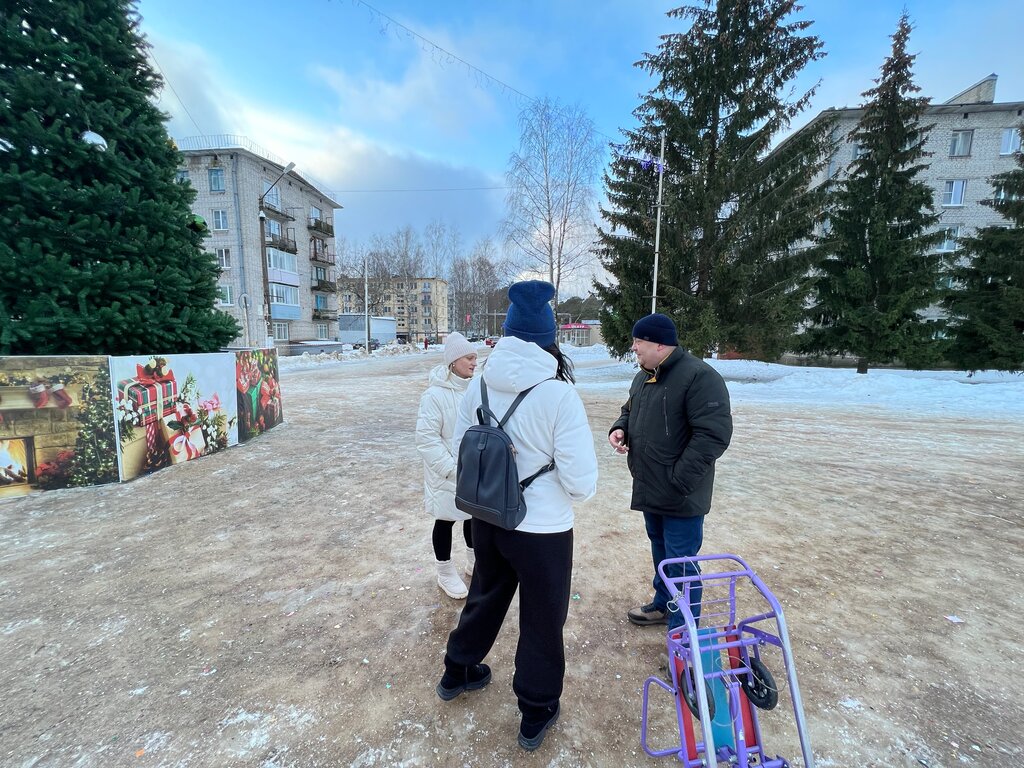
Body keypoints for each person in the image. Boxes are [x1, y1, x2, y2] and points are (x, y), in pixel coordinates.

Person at [436, 280, 598, 752]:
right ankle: (536, 708)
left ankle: (458, 669)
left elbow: (463, 446)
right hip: (543, 530)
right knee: (542, 619)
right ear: (549, 337)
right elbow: (581, 484)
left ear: (506, 332)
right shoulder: (558, 395)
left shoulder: (481, 382)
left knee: (485, 594)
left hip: (489, 516)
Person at [608, 313, 732, 635]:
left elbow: (713, 435)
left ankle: (684, 632)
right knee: (662, 554)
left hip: (680, 493)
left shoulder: (699, 377)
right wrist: (620, 428)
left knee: (680, 564)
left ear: (660, 344)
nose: (633, 347)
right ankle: (664, 604)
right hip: (650, 486)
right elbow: (629, 410)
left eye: (639, 341)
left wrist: (678, 480)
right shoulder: (644, 377)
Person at [415, 332, 479, 599]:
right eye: (469, 358)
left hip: (473, 471)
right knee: (445, 520)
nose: (474, 362)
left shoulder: (477, 390)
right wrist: (451, 469)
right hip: (446, 474)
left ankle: (474, 562)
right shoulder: (434, 395)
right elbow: (427, 439)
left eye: (475, 357)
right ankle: (444, 571)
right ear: (453, 361)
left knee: (473, 518)